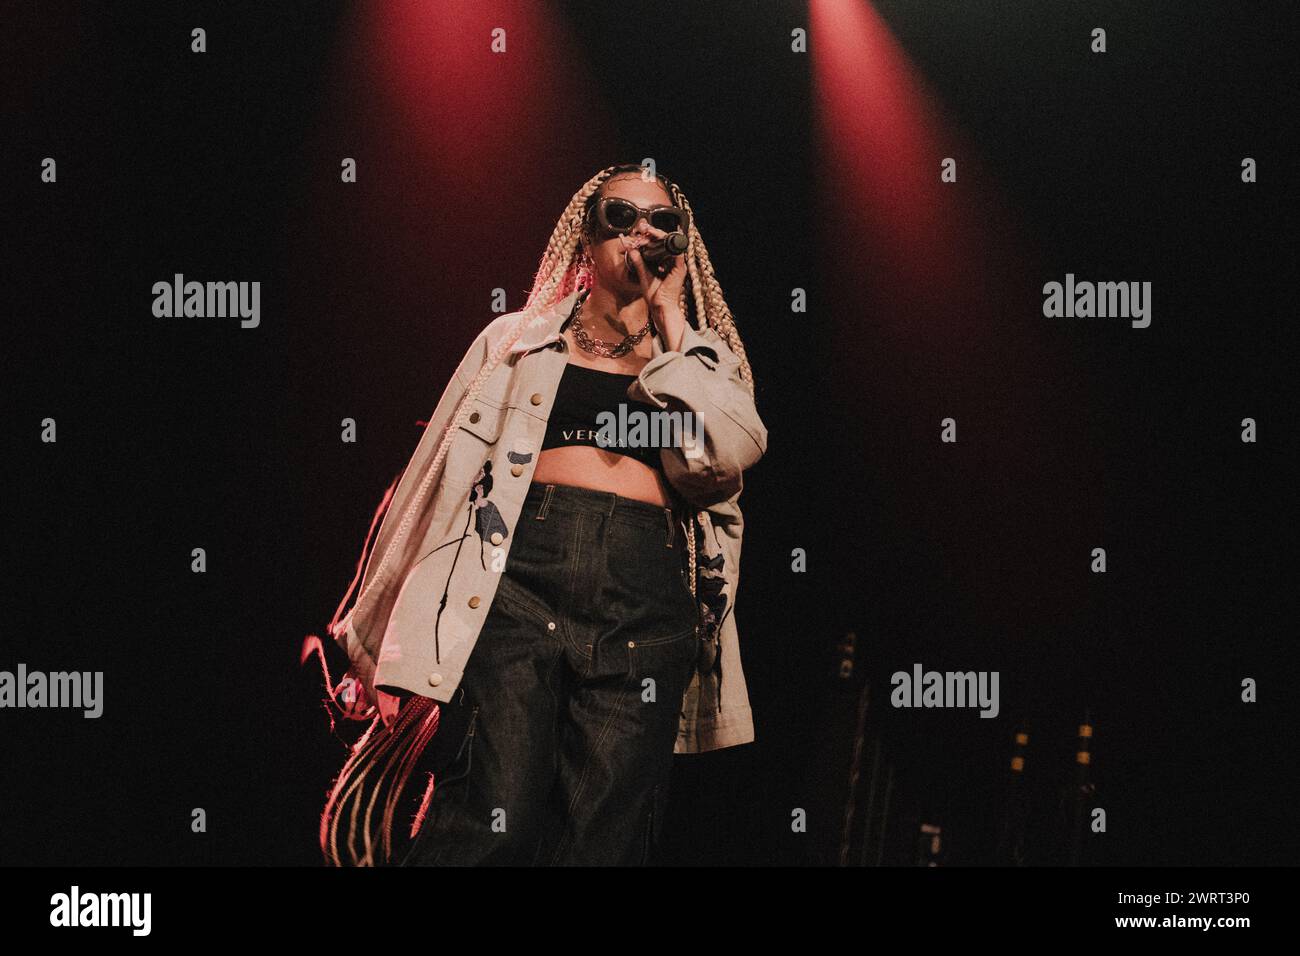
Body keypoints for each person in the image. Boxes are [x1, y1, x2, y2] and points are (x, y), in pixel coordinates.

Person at [309, 163, 767, 866]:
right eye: (620, 215)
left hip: (645, 599)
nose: (641, 232)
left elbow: (729, 453)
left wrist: (675, 324)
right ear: (586, 237)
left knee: (601, 841)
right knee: (493, 822)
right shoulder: (514, 344)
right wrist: (386, 649)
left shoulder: (700, 367)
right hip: (517, 578)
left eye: (661, 221)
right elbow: (432, 485)